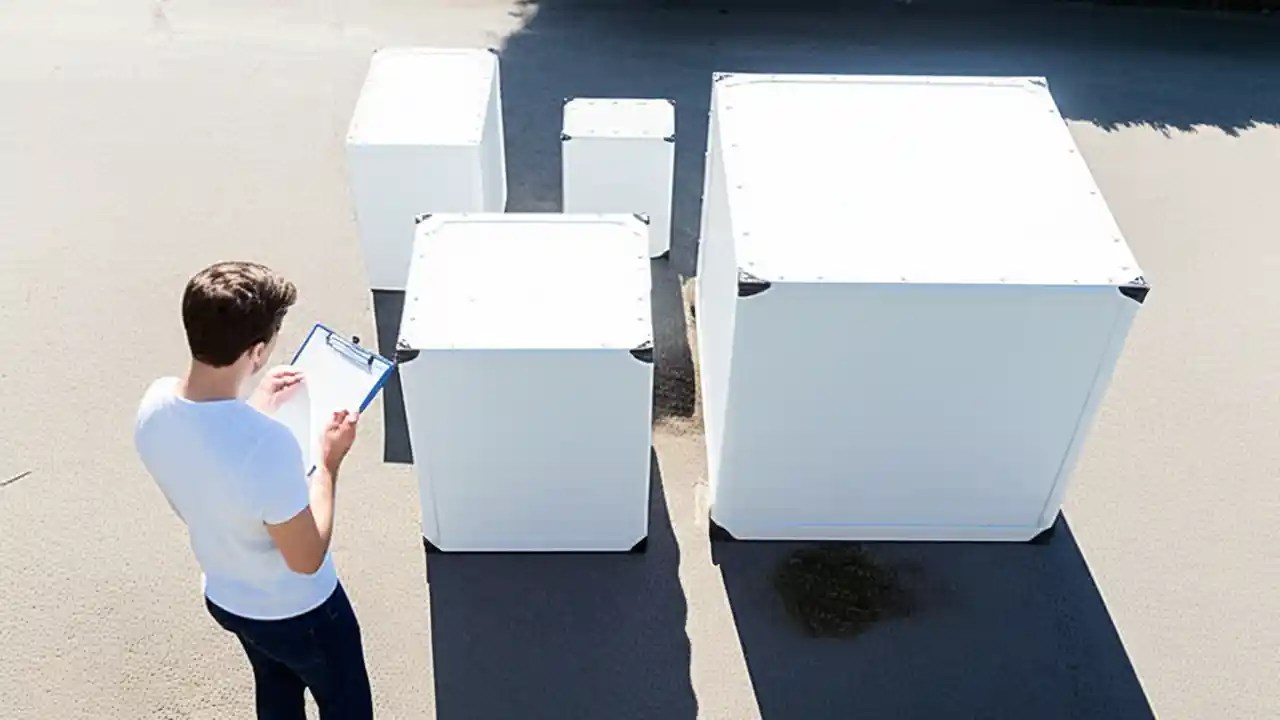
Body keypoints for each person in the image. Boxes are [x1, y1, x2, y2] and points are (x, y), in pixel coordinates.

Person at [134, 261, 373, 720]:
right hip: (302, 613)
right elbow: (305, 559)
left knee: (276, 687)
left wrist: (256, 403)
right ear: (258, 350)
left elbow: (209, 484)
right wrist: (327, 464)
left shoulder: (154, 406)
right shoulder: (268, 447)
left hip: (229, 598)